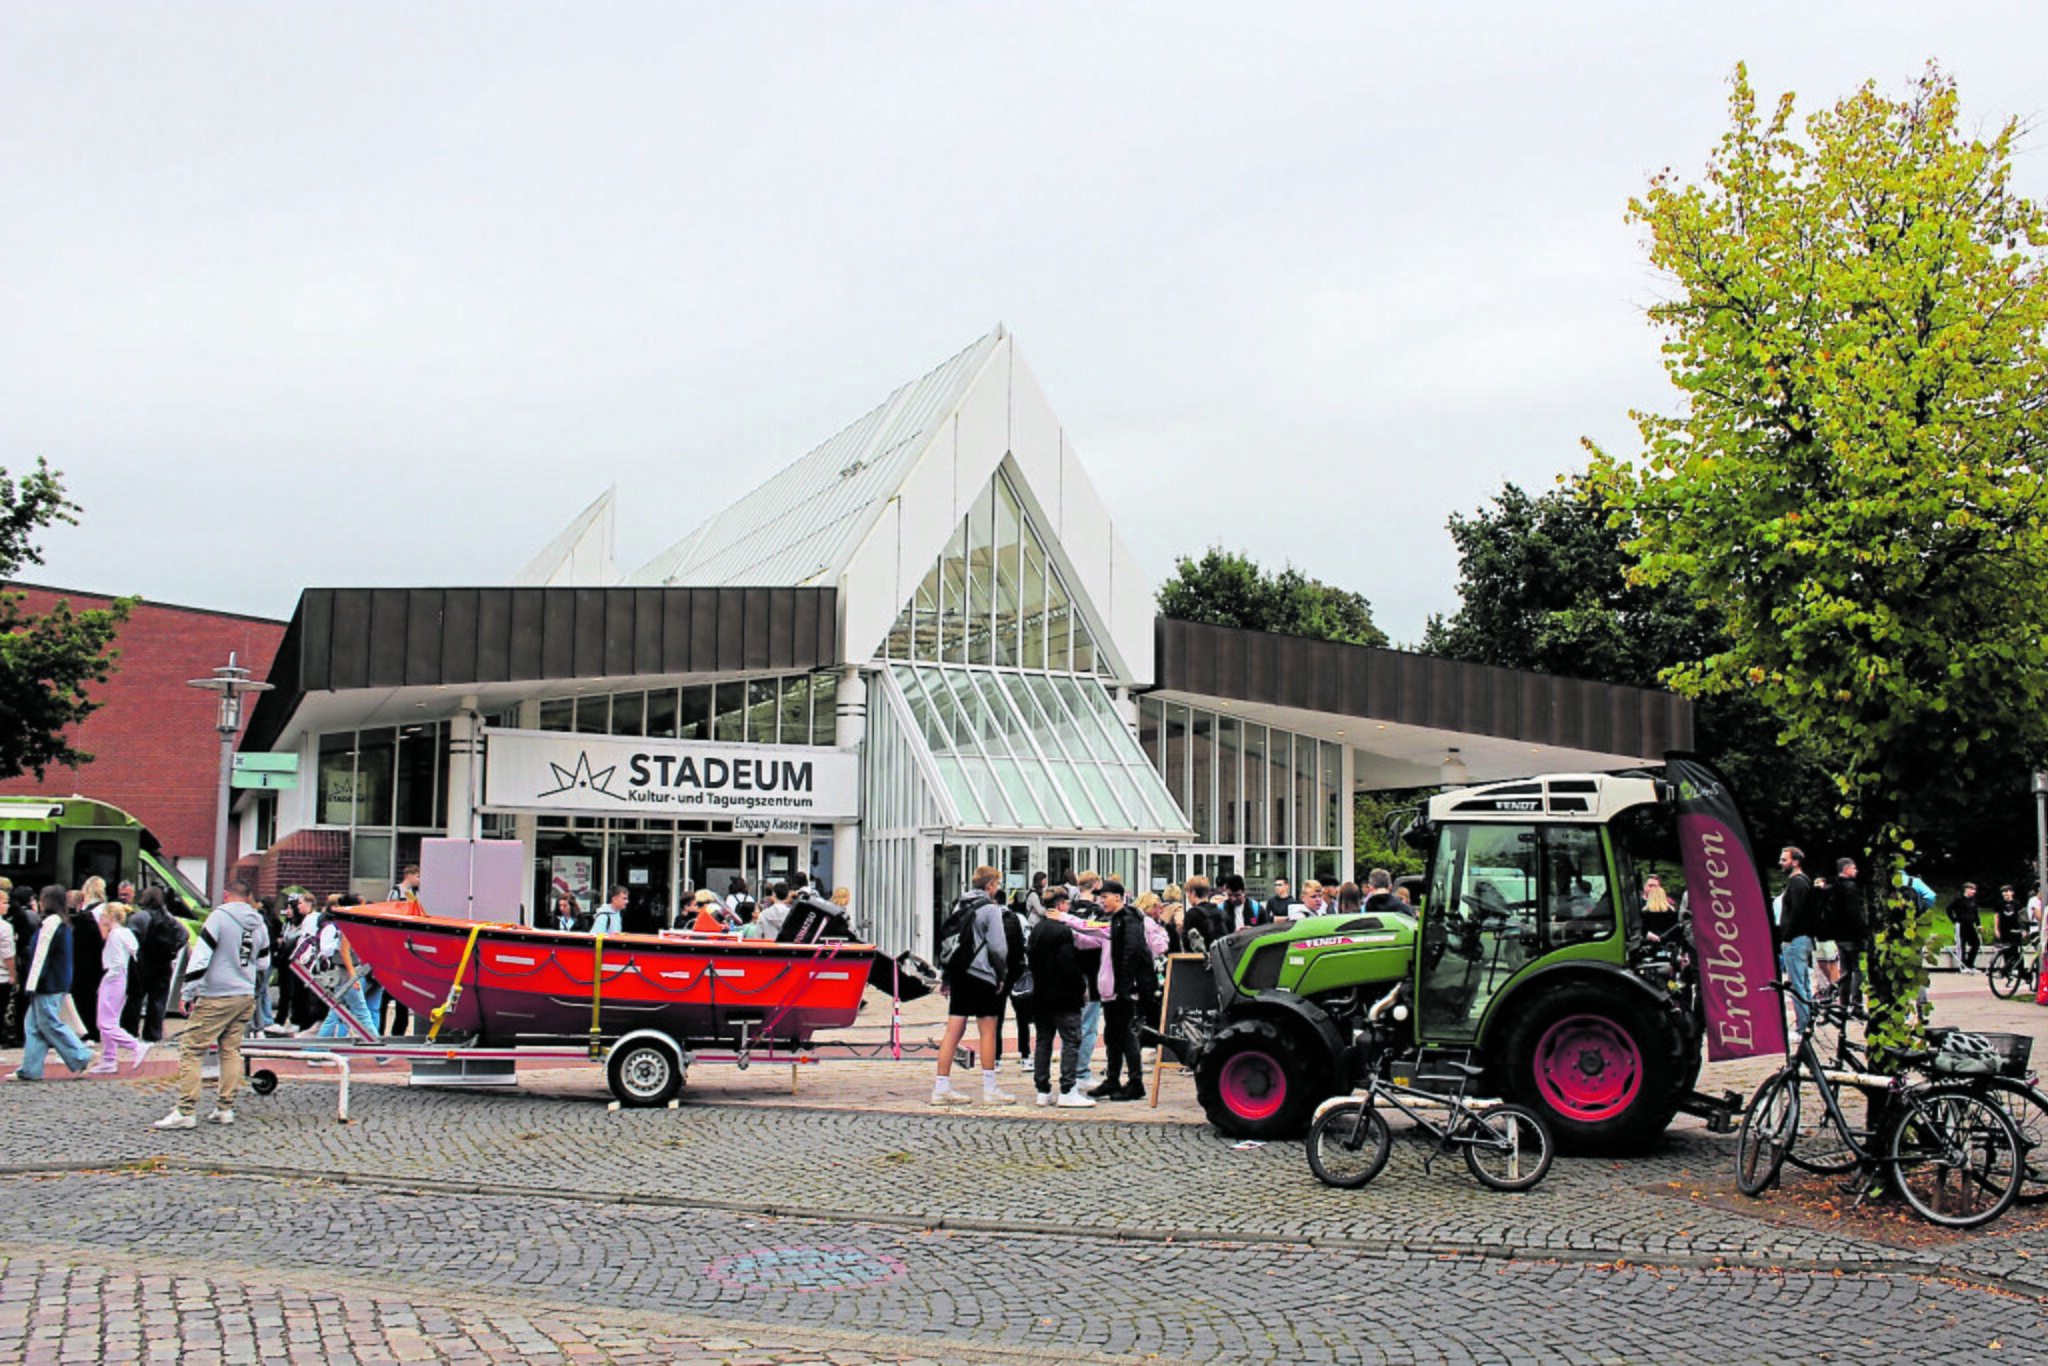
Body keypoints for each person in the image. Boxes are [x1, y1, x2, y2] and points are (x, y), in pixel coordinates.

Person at [155, 880, 271, 1129]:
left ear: (226, 895)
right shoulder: (258, 923)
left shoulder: (218, 918)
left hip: (218, 994)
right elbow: (263, 963)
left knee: (192, 1049)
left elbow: (202, 956)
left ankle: (185, 1110)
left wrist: (188, 991)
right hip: (245, 994)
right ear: (249, 897)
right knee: (230, 1050)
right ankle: (225, 1108)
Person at [929, 864, 1014, 1106]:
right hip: (982, 974)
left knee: (953, 1030)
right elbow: (998, 947)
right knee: (987, 1030)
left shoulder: (960, 905)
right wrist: (1001, 974)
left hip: (958, 974)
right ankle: (990, 1088)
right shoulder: (990, 909)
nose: (997, 888)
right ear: (990, 885)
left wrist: (947, 977)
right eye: (996, 884)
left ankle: (941, 1087)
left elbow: (949, 943)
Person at [1027, 888, 1105, 1107]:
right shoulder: (1062, 931)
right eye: (1067, 904)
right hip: (1063, 994)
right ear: (1061, 905)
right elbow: (1068, 964)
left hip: (1041, 992)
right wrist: (1081, 988)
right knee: (1071, 1039)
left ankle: (1042, 1090)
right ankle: (1068, 1089)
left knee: (1044, 1040)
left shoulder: (1037, 928)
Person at [9, 886, 95, 1082]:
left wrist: (31, 984)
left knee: (47, 1023)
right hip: (55, 981)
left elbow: (40, 956)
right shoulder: (61, 924)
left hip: (47, 983)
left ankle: (80, 1055)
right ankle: (31, 1068)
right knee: (34, 1025)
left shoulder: (50, 924)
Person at [1091, 880, 1152, 1101]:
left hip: (1125, 990)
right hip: (1115, 990)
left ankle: (1136, 1082)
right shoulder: (1115, 920)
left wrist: (1125, 987)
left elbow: (1130, 955)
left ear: (1118, 897)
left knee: (1126, 1035)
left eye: (1105, 897)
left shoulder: (1129, 919)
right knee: (1112, 1035)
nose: (1101, 901)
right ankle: (1113, 1078)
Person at [89, 902, 148, 1073]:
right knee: (110, 1020)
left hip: (114, 979)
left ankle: (134, 1045)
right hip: (123, 978)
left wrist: (107, 979)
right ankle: (109, 1059)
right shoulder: (125, 933)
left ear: (109, 916)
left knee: (105, 1022)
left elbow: (116, 963)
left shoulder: (114, 936)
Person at [122, 887, 182, 1042]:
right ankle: (153, 1033)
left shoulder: (139, 917)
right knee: (158, 999)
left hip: (143, 962)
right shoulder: (169, 918)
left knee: (135, 997)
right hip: (163, 963)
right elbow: (184, 935)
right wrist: (173, 949)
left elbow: (129, 938)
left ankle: (130, 1031)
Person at [1776, 847, 1818, 1035]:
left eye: (1784, 860)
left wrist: (1787, 936)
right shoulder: (1804, 882)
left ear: (1795, 862)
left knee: (1797, 985)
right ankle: (1807, 1022)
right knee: (1803, 983)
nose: (1781, 863)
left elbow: (1798, 912)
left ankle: (1803, 1026)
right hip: (1802, 937)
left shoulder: (1797, 883)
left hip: (1796, 939)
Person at [70, 875, 107, 1042]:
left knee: (81, 996)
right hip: (96, 958)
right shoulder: (102, 909)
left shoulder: (83, 910)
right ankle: (93, 1030)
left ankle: (84, 1029)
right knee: (93, 997)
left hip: (79, 958)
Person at [1948, 882, 1982, 973]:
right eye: (1971, 889)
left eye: (1974, 890)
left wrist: (1978, 924)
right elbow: (1949, 909)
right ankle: (1962, 965)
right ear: (1966, 889)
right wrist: (1954, 920)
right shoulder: (1958, 900)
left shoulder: (1973, 900)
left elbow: (1976, 913)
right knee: (1961, 945)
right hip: (1961, 925)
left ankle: (1970, 964)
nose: (1973, 892)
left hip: (1971, 925)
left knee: (1976, 943)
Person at [1641, 875, 1678, 940]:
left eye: (1655, 887)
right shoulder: (1637, 903)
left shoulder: (1670, 904)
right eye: (1650, 886)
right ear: (1645, 886)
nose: (1653, 889)